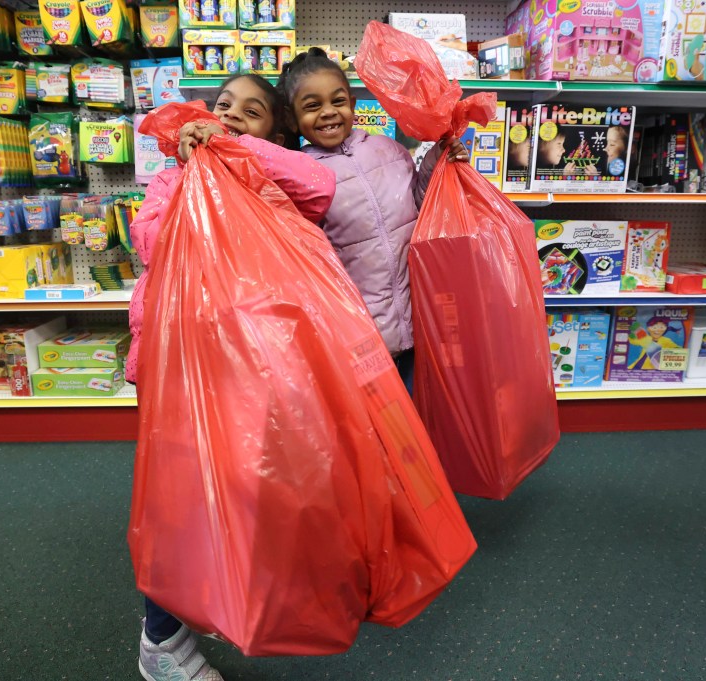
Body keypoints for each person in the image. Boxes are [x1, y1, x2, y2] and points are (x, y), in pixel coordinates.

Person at [126, 73, 336, 681]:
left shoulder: (272, 180)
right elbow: (153, 243)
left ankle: (228, 595)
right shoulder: (171, 179)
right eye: (223, 107)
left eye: (252, 112)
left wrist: (234, 149)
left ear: (275, 134)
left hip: (253, 370)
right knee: (176, 502)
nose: (233, 116)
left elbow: (320, 185)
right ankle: (161, 640)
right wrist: (196, 170)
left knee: (248, 490)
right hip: (179, 370)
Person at [276, 47, 468, 394]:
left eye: (338, 101)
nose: (328, 112)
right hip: (359, 336)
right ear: (291, 120)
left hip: (418, 320)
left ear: (352, 103)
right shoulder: (298, 175)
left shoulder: (388, 149)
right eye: (312, 106)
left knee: (419, 411)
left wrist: (438, 159)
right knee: (380, 419)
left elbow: (421, 205)